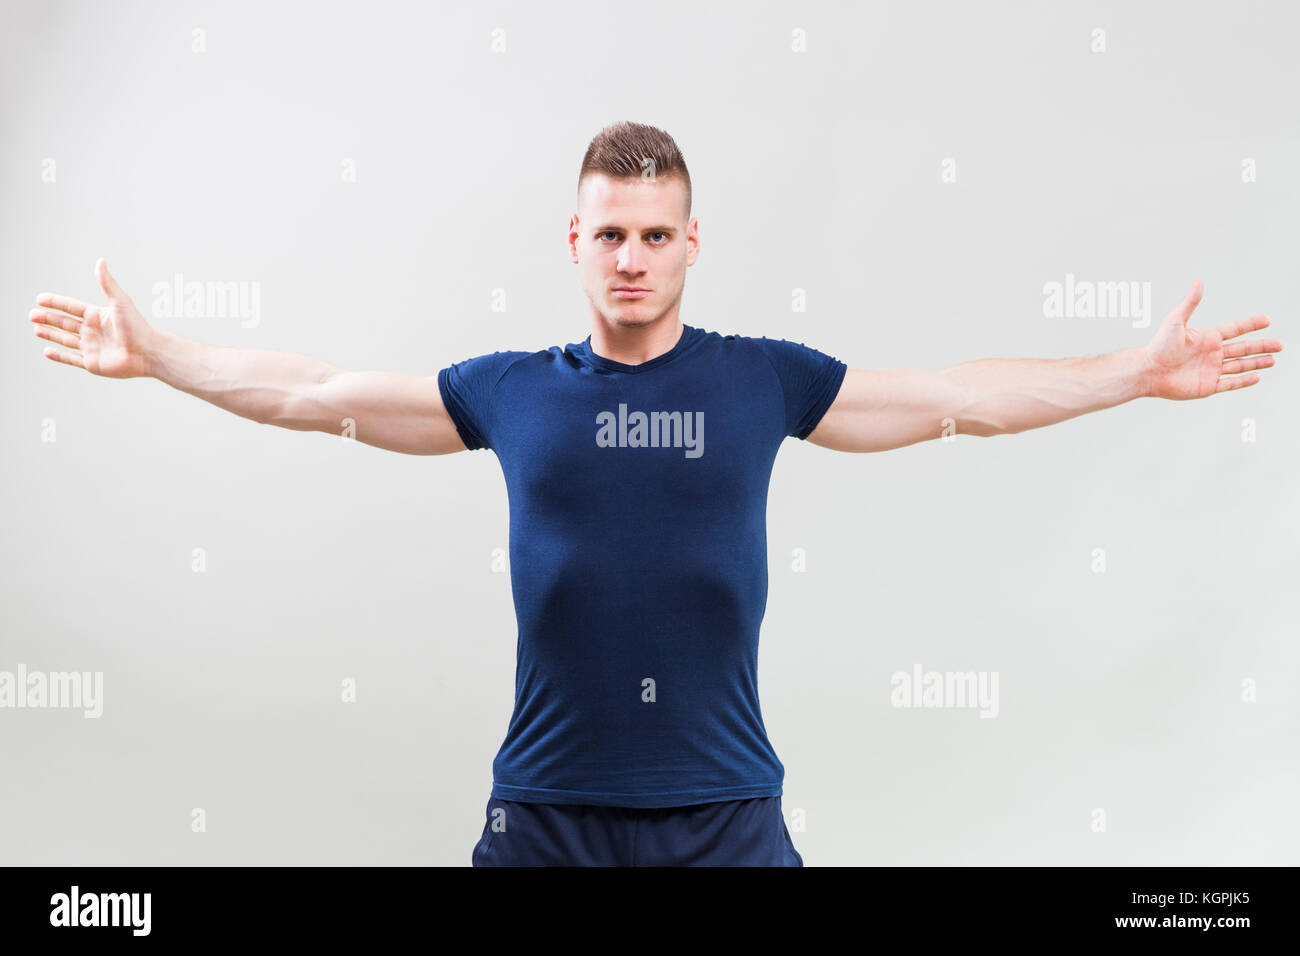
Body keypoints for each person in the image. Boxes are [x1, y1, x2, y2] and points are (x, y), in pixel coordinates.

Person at [29, 121, 1281, 867]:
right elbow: (316, 391)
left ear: (693, 241)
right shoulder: (507, 392)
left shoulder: (763, 383)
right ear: (574, 242)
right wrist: (163, 356)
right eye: (610, 233)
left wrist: (1131, 371)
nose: (632, 257)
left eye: (656, 234)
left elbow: (959, 394)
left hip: (727, 811)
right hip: (547, 811)